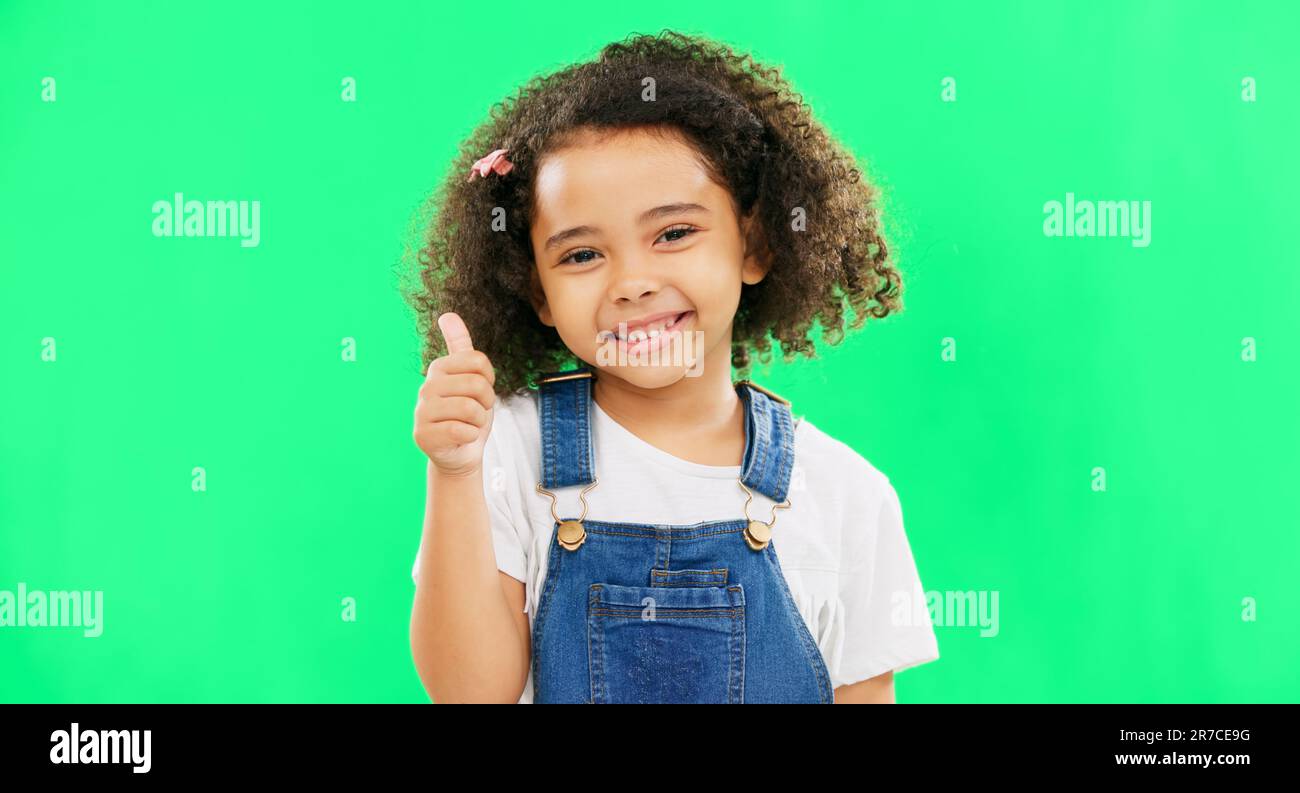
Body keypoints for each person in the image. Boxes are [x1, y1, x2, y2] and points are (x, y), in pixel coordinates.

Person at [406, 30, 938, 703]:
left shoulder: (846, 493)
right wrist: (453, 472)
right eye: (581, 255)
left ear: (756, 244)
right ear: (537, 291)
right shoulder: (509, 451)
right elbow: (469, 692)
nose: (632, 281)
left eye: (673, 234)